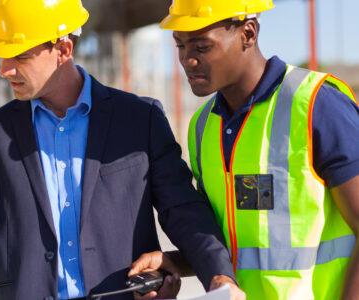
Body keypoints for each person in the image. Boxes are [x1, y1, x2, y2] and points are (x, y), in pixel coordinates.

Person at [0, 1, 244, 299]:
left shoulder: (139, 120)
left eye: (20, 55)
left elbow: (183, 211)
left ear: (62, 49)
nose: (4, 69)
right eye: (3, 55)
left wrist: (219, 277)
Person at [130, 0, 359, 299]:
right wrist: (175, 262)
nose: (187, 59)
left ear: (248, 34)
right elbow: (243, 247)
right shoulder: (203, 126)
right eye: (180, 46)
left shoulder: (317, 105)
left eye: (201, 46)